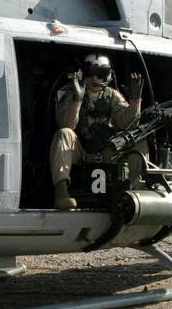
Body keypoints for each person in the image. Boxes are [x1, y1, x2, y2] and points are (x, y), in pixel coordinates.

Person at [49, 54, 142, 210]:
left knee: (138, 138)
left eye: (101, 74)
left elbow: (127, 124)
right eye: (90, 73)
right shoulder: (69, 92)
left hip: (107, 151)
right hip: (80, 151)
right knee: (63, 134)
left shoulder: (112, 95)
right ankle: (61, 192)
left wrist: (135, 100)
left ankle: (138, 188)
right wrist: (77, 99)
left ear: (108, 75)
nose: (94, 78)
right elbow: (66, 124)